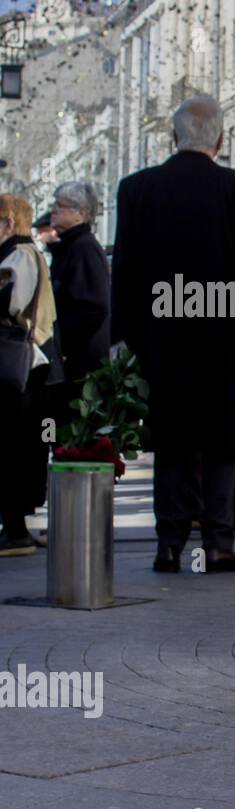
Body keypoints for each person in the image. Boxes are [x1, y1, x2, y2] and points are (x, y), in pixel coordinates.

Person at [111, 95, 235, 574]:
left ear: (173, 137)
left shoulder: (137, 189)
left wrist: (128, 336)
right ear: (221, 140)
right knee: (222, 440)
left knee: (172, 439)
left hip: (162, 337)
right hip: (226, 336)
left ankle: (169, 543)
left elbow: (125, 270)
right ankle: (219, 540)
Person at [0, 194, 61, 556]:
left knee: (12, 446)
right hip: (21, 367)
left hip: (17, 367)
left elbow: (12, 303)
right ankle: (15, 526)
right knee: (16, 447)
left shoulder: (20, 254)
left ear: (8, 222)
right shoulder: (20, 253)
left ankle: (16, 530)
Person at [47, 181, 112, 424]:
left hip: (81, 368)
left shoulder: (84, 249)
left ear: (81, 213)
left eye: (60, 206)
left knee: (73, 434)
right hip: (71, 364)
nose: (54, 210)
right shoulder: (69, 247)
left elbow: (93, 308)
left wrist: (65, 347)